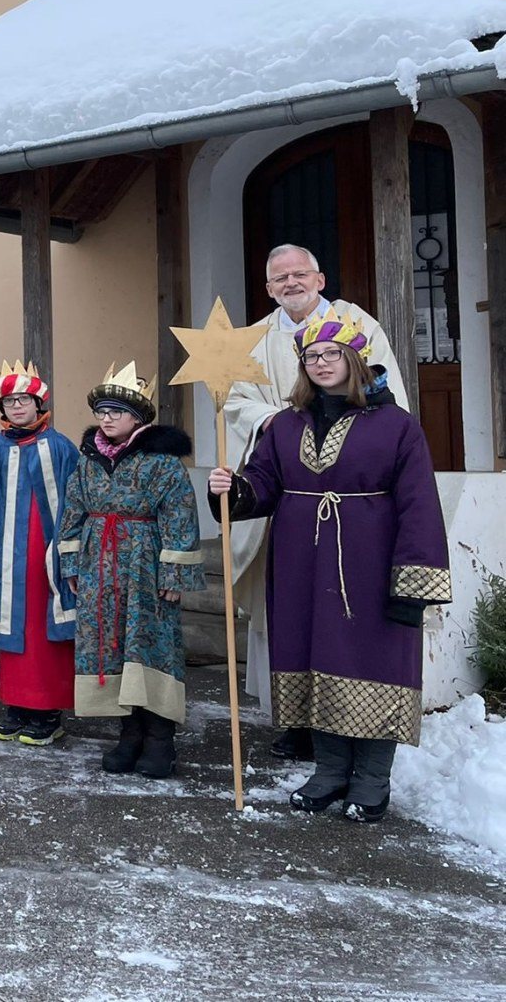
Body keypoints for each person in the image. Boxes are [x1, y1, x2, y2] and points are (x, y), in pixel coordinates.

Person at [209, 309, 450, 822]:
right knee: (311, 657)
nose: (320, 363)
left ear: (355, 360)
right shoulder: (287, 425)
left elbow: (420, 506)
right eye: (311, 356)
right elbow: (264, 484)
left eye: (331, 354)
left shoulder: (398, 427)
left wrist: (414, 581)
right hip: (301, 567)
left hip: (372, 567)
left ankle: (370, 779)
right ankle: (330, 771)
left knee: (374, 663)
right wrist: (235, 490)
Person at [223, 243, 405, 760]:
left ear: (320, 279)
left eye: (299, 274)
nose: (290, 284)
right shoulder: (253, 340)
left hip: (351, 498)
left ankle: (350, 725)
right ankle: (296, 720)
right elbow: (236, 401)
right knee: (288, 611)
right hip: (289, 496)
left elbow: (385, 392)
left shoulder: (358, 325)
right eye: (279, 278)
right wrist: (285, 425)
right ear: (267, 288)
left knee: (344, 612)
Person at [57, 364, 202, 778]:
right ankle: (129, 735)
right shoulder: (88, 462)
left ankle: (160, 740)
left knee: (149, 644)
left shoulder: (162, 463)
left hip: (144, 565)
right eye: (102, 411)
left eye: (116, 412)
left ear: (138, 418)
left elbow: (180, 515)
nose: (106, 418)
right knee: (111, 645)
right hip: (99, 566)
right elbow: (72, 511)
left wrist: (174, 573)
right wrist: (71, 561)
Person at [0, 361, 81, 746]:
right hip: (8, 559)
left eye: (24, 401)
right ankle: (16, 706)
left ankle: (48, 710)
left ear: (38, 404)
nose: (17, 408)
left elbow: (76, 501)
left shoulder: (61, 447)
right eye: (10, 401)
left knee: (44, 630)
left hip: (46, 557)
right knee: (14, 630)